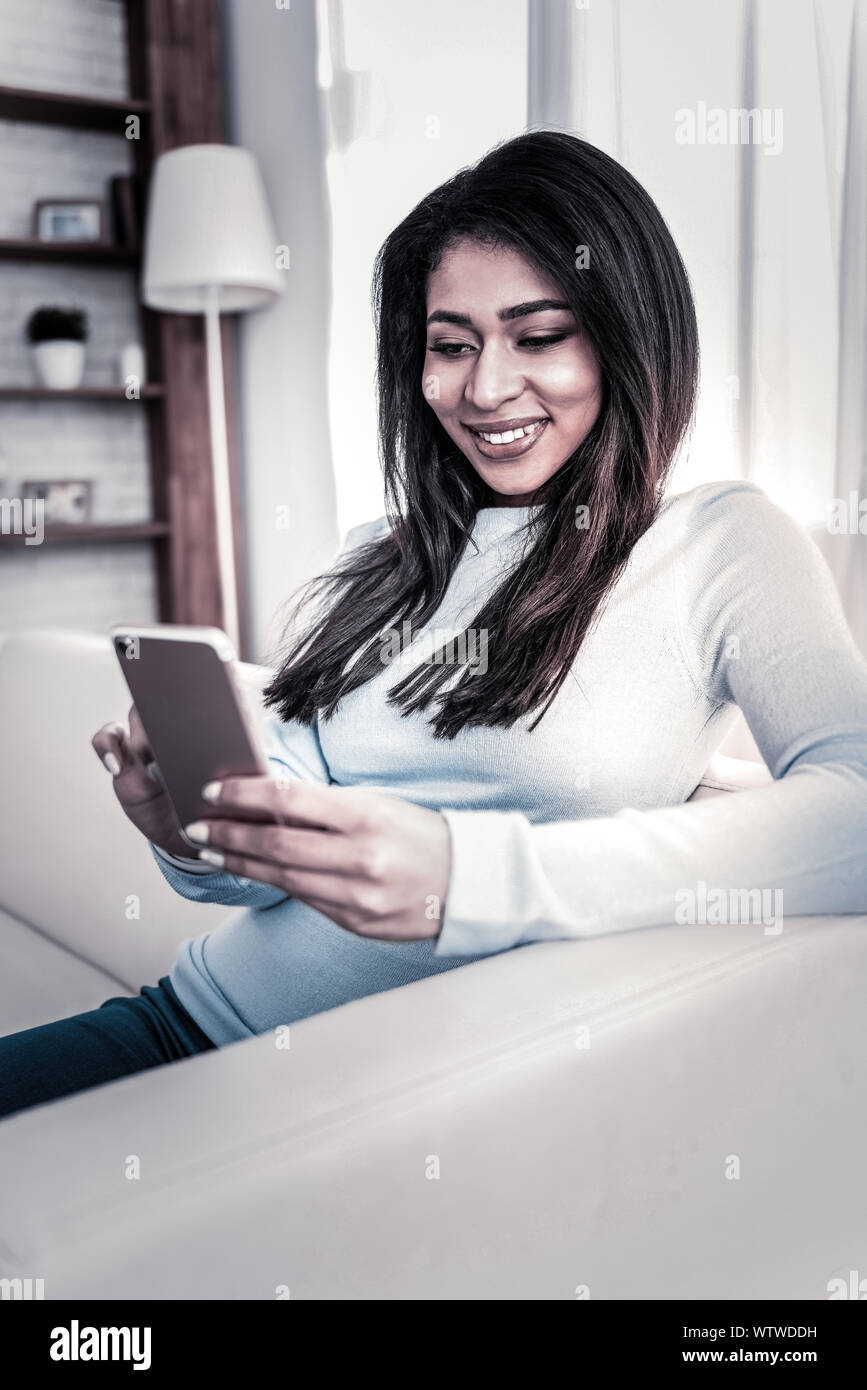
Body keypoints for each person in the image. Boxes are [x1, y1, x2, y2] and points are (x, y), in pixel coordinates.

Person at [2, 130, 865, 1120]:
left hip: (369, 1104)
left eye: (538, 336)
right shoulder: (375, 555)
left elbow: (857, 813)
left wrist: (471, 876)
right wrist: (189, 834)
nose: (486, 388)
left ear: (630, 336)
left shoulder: (718, 543)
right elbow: (267, 875)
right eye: (451, 345)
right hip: (189, 1019)